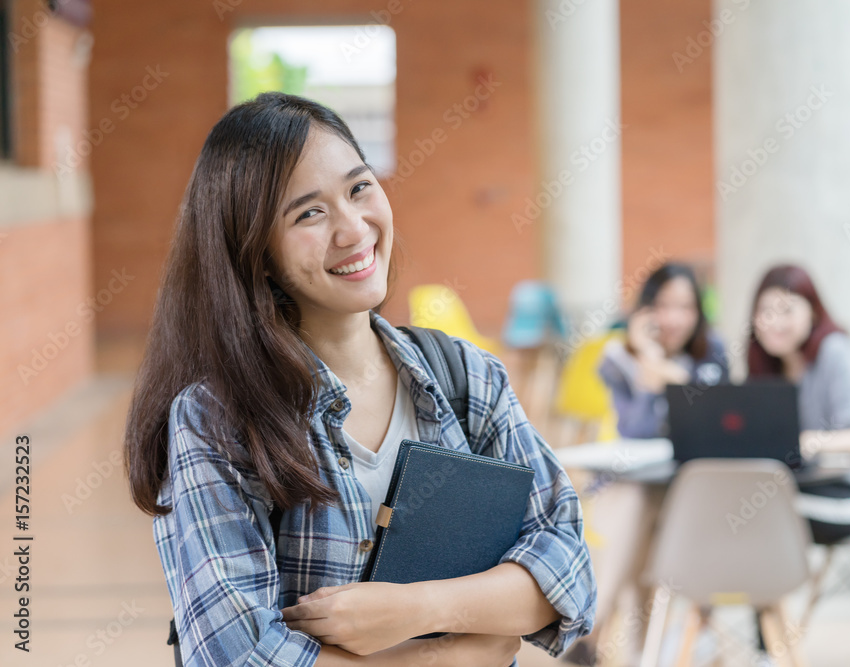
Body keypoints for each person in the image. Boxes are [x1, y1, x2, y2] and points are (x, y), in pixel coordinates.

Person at [122, 92, 596, 667]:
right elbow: (236, 652)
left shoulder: (467, 379)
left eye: (359, 188)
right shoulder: (217, 419)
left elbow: (565, 563)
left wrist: (417, 609)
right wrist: (459, 654)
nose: (353, 229)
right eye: (308, 214)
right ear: (256, 253)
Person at [746, 264, 850, 543]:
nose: (775, 322)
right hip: (802, 487)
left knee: (748, 514)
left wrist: (803, 442)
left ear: (813, 312)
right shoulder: (767, 367)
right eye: (766, 312)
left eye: (787, 310)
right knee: (735, 504)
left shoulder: (835, 352)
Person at [598, 262, 730, 439]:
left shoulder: (712, 347)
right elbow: (635, 432)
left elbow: (717, 421)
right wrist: (650, 358)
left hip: (699, 464)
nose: (674, 319)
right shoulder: (618, 359)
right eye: (663, 305)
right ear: (645, 310)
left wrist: (678, 378)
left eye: (685, 307)